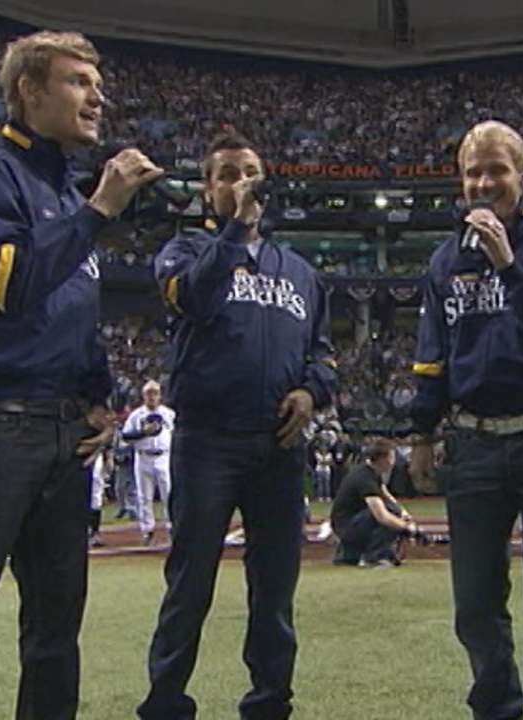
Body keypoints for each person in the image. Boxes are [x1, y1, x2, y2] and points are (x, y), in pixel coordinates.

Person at [0, 30, 163, 719]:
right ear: (29, 90)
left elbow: (72, 309)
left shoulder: (64, 192)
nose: (96, 94)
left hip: (62, 434)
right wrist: (99, 211)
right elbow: (13, 285)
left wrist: (99, 397)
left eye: (96, 82)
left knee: (55, 629)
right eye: (77, 80)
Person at [140, 131, 336, 720]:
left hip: (278, 446)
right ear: (209, 189)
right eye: (227, 173)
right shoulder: (181, 252)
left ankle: (270, 702)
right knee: (190, 582)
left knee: (274, 588)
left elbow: (323, 354)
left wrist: (310, 391)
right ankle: (167, 702)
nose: (242, 182)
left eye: (251, 171)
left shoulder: (300, 272)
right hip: (206, 441)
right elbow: (194, 300)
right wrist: (234, 233)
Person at [409, 120, 523, 720]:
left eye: (497, 170)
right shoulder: (443, 260)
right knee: (476, 604)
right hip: (474, 444)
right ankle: (497, 709)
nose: (484, 183)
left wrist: (510, 265)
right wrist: (420, 433)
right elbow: (432, 355)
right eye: (473, 172)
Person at [329, 437, 418, 567]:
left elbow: (386, 495)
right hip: (346, 527)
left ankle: (350, 555)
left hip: (347, 522)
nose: (393, 462)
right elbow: (381, 516)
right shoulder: (365, 479)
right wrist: (406, 527)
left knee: (394, 510)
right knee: (390, 513)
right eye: (391, 457)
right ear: (382, 459)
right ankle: (375, 557)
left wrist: (404, 513)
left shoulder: (370, 473)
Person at [122, 380, 176, 545]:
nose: (151, 397)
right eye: (148, 393)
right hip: (143, 456)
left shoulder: (168, 414)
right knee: (144, 496)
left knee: (169, 494)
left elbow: (177, 433)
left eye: (155, 393)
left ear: (160, 395)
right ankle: (147, 530)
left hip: (163, 456)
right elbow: (126, 436)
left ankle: (172, 527)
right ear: (143, 396)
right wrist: (142, 432)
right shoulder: (137, 415)